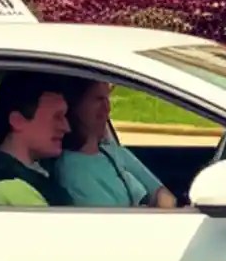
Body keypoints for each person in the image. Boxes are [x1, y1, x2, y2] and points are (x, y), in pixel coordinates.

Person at [51, 79, 179, 208]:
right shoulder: (73, 170)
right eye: (98, 99)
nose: (107, 108)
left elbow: (164, 195)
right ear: (76, 105)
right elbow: (113, 223)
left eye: (107, 99)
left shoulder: (114, 151)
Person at [0, 71, 77, 207]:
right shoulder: (7, 191)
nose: (66, 128)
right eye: (57, 117)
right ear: (17, 121)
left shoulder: (37, 174)